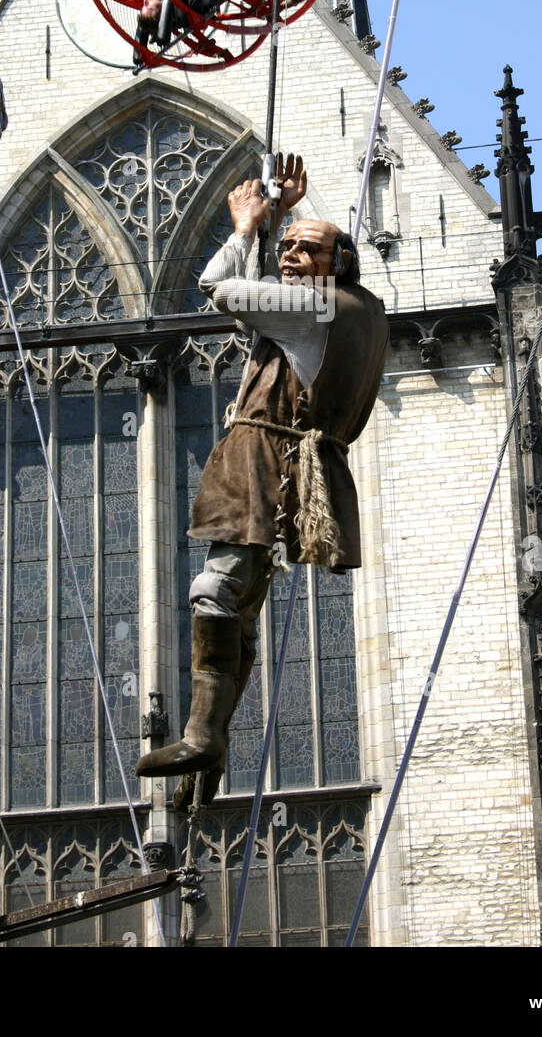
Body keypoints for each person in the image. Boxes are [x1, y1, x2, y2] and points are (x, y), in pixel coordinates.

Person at [135, 154, 389, 806]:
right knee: (238, 611)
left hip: (265, 462)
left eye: (305, 250)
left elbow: (219, 288)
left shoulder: (316, 310)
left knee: (213, 590)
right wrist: (282, 213)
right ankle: (208, 745)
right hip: (291, 463)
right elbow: (256, 318)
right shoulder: (349, 312)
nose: (290, 257)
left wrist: (248, 227)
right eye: (289, 248)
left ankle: (203, 736)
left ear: (335, 267)